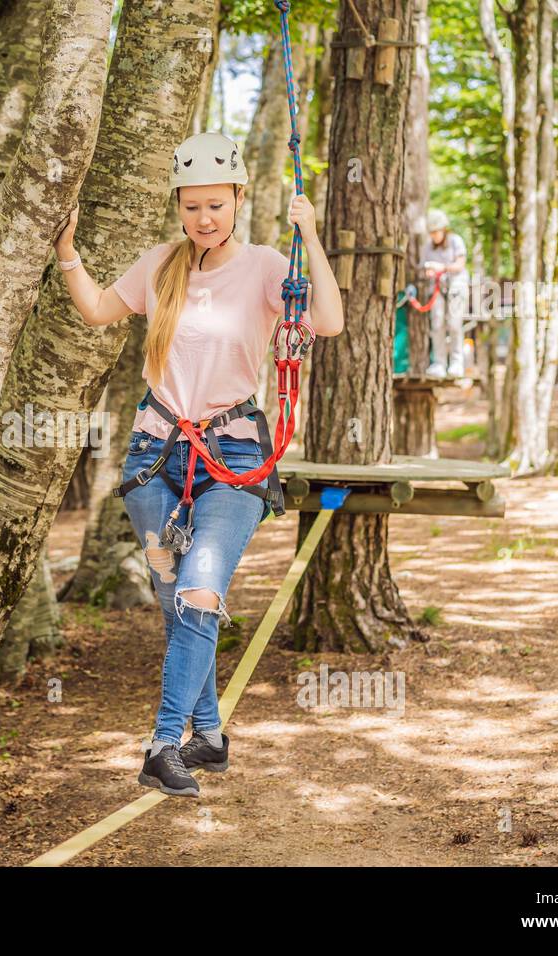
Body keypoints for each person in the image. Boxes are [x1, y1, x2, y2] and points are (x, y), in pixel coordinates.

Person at [52, 131, 344, 797]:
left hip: (235, 456)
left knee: (201, 591)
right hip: (155, 456)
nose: (203, 218)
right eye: (191, 207)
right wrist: (67, 253)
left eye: (215, 205)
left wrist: (313, 234)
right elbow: (99, 311)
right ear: (179, 208)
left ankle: (163, 744)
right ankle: (207, 735)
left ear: (239, 199)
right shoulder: (161, 265)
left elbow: (328, 320)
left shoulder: (270, 266)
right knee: (180, 606)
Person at [419, 208, 469, 378]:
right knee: (437, 323)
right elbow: (425, 269)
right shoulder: (428, 248)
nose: (434, 235)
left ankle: (456, 361)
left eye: (436, 232)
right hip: (437, 289)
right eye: (431, 232)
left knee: (454, 324)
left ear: (443, 229)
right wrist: (431, 272)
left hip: (456, 286)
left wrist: (444, 268)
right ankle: (439, 362)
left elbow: (460, 265)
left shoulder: (456, 241)